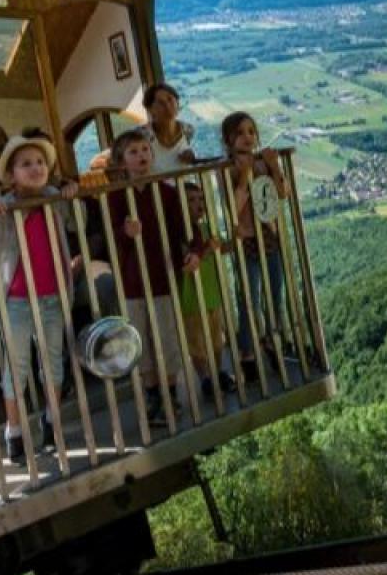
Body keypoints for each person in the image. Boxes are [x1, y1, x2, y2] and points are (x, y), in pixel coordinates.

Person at [0, 130, 76, 461]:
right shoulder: (4, 207)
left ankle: (51, 422)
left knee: (54, 363)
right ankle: (14, 431)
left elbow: (76, 227)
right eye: (26, 164)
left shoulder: (54, 198)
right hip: (16, 302)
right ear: (11, 176)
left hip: (54, 296)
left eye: (40, 162)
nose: (35, 168)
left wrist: (71, 196)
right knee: (17, 368)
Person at [94, 127, 203, 428]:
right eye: (133, 152)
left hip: (162, 277)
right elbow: (111, 240)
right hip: (131, 282)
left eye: (145, 150)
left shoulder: (166, 193)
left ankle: (168, 394)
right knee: (140, 339)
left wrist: (195, 253)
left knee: (165, 337)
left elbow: (187, 230)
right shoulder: (116, 198)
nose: (141, 156)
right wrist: (125, 234)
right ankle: (153, 394)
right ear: (121, 160)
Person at [137, 83, 232, 401]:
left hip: (182, 208)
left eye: (171, 100)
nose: (167, 106)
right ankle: (190, 368)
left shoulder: (186, 131)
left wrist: (193, 160)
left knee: (195, 263)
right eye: (160, 102)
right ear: (149, 108)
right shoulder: (144, 138)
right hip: (157, 208)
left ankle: (211, 370)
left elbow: (187, 164)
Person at [221, 111, 292, 371]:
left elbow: (282, 194)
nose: (247, 137)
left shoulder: (263, 163)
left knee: (274, 293)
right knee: (248, 298)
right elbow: (233, 207)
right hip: (247, 239)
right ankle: (248, 351)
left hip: (270, 236)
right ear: (228, 139)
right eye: (239, 133)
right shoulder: (227, 168)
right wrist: (244, 175)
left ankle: (274, 341)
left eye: (251, 131)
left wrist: (274, 166)